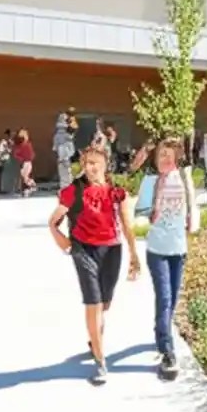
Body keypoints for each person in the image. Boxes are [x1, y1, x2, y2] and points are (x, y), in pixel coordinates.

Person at [47, 146, 140, 385]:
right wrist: (64, 243)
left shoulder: (115, 191)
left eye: (95, 163)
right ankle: (100, 360)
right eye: (86, 163)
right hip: (84, 250)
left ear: (105, 164)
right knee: (93, 304)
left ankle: (94, 338)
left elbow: (127, 224)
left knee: (104, 304)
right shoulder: (73, 191)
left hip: (111, 250)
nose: (90, 168)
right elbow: (53, 221)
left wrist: (134, 255)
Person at [143, 137, 194, 378]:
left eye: (169, 154)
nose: (164, 159)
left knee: (172, 299)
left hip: (178, 248)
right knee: (163, 298)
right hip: (157, 249)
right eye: (161, 154)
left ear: (176, 157)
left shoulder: (184, 177)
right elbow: (139, 209)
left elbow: (193, 207)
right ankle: (167, 351)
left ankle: (160, 329)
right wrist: (148, 211)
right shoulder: (151, 182)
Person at [52, 115, 76, 189]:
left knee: (63, 177)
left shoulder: (56, 136)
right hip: (67, 159)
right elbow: (72, 150)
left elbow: (55, 148)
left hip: (61, 159)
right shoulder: (68, 136)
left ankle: (65, 191)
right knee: (69, 176)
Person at [13, 128, 36, 196]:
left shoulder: (23, 146)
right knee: (24, 176)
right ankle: (28, 187)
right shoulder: (27, 145)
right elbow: (32, 155)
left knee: (25, 176)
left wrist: (20, 158)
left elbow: (16, 154)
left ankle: (30, 186)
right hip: (26, 162)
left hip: (25, 163)